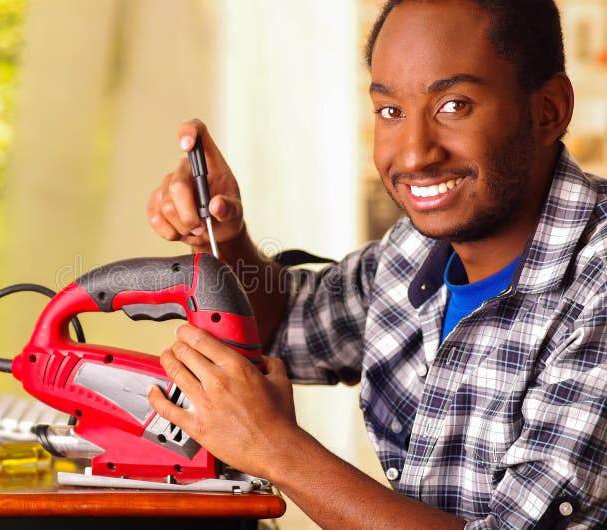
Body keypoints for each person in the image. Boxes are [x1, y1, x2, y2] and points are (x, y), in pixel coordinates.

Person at [145, 0, 607, 528]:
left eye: (453, 106)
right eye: (390, 111)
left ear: (548, 109)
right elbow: (291, 327)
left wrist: (274, 449)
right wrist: (224, 236)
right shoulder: (413, 250)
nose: (412, 155)